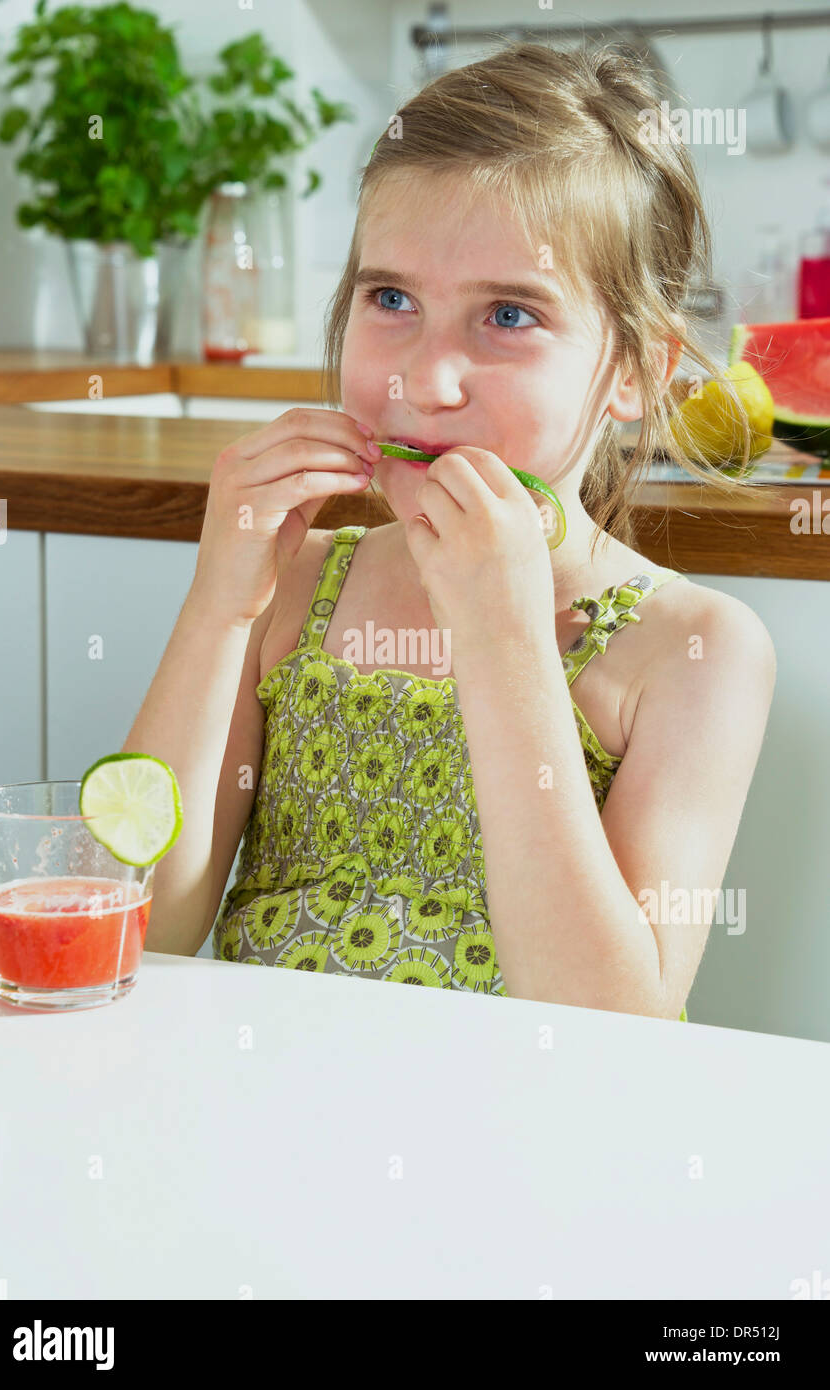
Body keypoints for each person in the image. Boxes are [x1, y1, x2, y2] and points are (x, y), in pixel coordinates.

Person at [124, 42, 775, 1020]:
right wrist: (219, 604)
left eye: (508, 314)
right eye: (392, 300)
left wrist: (503, 638)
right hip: (262, 1120)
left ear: (638, 369)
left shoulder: (693, 652)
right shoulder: (295, 585)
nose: (424, 382)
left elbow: (613, 1031)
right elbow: (139, 934)